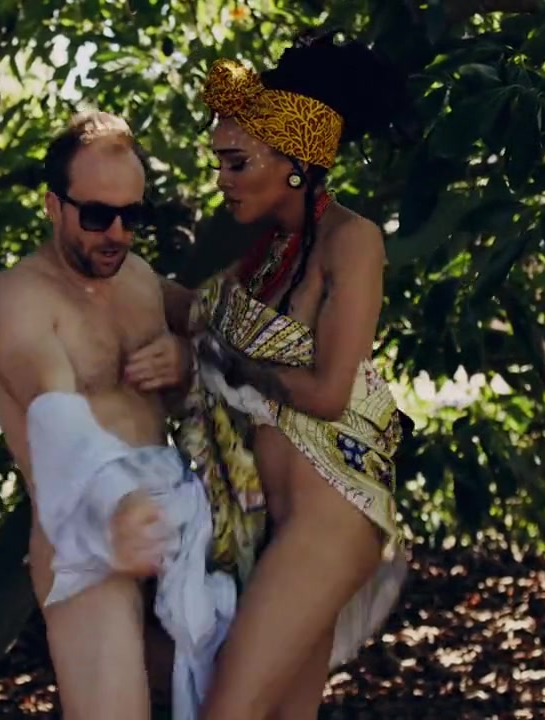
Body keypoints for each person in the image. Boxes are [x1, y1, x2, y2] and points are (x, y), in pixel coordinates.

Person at [131, 32, 416, 718]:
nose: (222, 180)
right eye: (219, 163)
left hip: (330, 517)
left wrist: (221, 359)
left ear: (295, 161)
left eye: (238, 163)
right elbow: (187, 310)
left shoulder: (352, 240)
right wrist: (107, 262)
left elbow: (328, 393)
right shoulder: (265, 259)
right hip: (273, 525)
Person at [0, 111, 235, 720]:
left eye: (131, 216)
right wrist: (117, 509)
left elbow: (229, 332)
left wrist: (186, 356)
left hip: (179, 515)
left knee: (239, 699)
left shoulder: (139, 278)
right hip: (87, 530)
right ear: (54, 206)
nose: (116, 233)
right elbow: (57, 419)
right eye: (96, 215)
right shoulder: (18, 299)